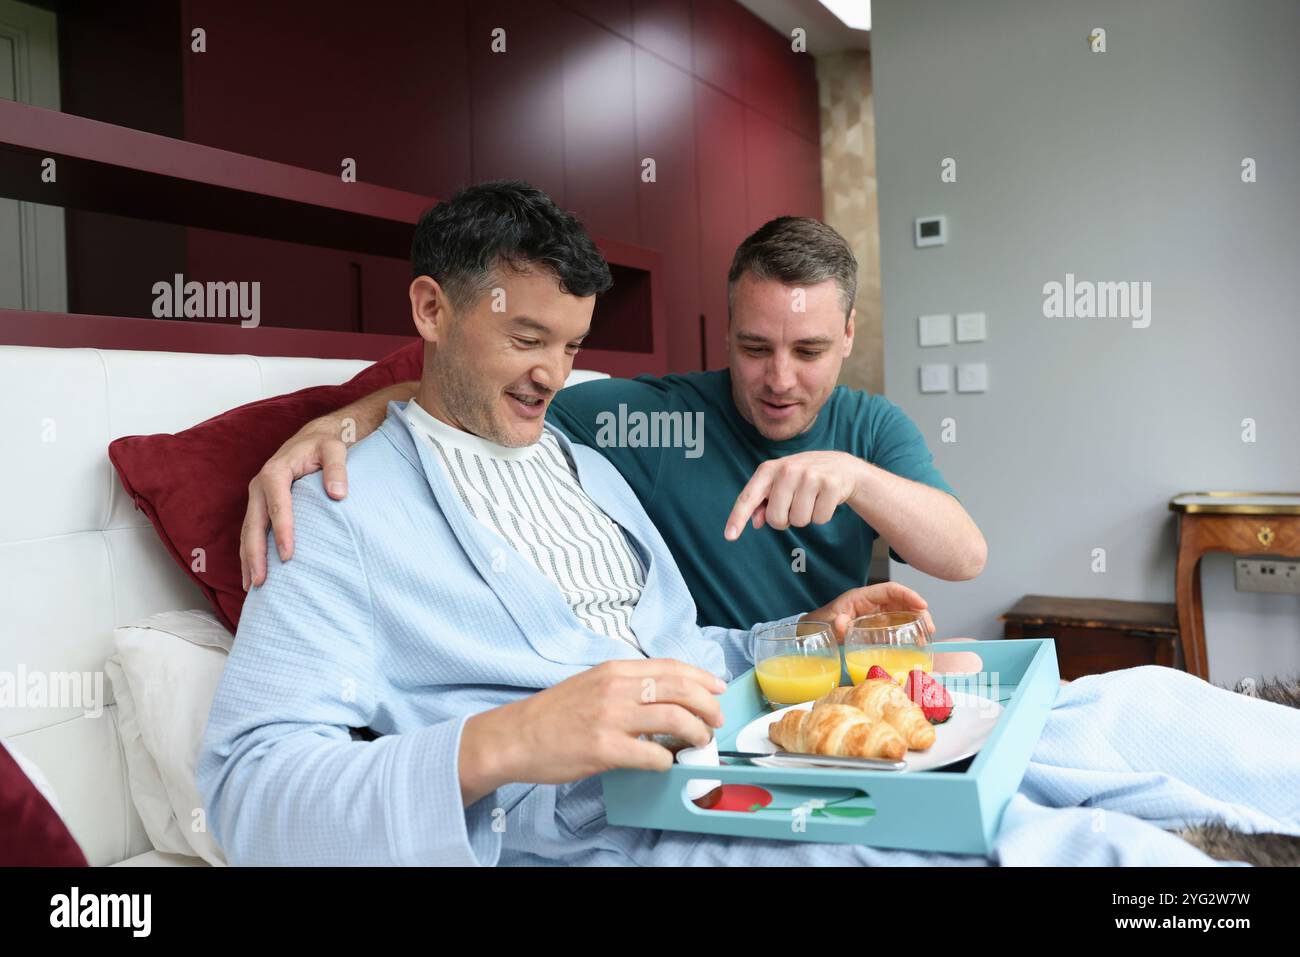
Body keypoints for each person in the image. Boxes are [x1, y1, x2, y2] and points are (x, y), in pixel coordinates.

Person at [199, 181, 1300, 867]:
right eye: (526, 337)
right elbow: (248, 795)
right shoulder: (341, 508)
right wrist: (504, 742)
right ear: (431, 309)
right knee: (1068, 846)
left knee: (1129, 707)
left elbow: (687, 654)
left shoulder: (585, 462)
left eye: (573, 347)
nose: (552, 377)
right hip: (615, 812)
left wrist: (813, 635)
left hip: (755, 722)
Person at [238, 216, 987, 630]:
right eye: (755, 348)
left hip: (828, 666)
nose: (781, 379)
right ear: (725, 331)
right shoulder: (649, 417)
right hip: (726, 687)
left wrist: (853, 477)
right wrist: (342, 423)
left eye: (810, 350)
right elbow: (466, 394)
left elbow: (963, 556)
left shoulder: (870, 428)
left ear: (850, 334)